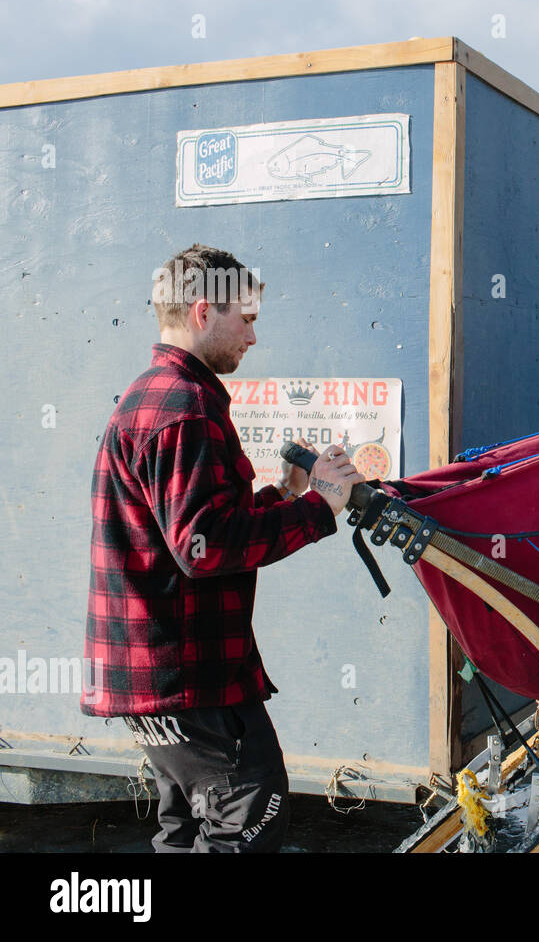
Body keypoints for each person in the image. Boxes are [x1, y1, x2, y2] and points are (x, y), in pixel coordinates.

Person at [82, 243, 363, 852]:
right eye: (249, 319)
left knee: (186, 829)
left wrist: (284, 495)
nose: (254, 337)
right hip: (190, 677)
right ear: (205, 312)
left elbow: (193, 527)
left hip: (159, 676)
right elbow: (203, 550)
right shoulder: (185, 407)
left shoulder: (152, 394)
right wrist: (320, 509)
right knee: (250, 815)